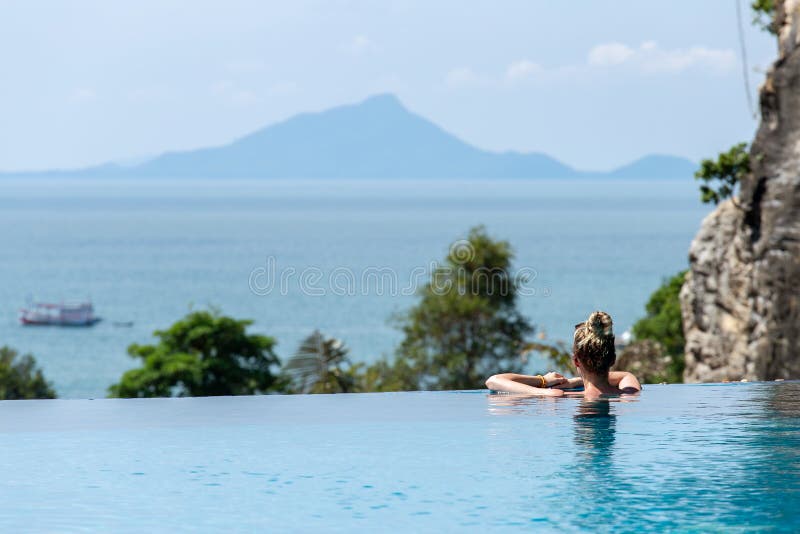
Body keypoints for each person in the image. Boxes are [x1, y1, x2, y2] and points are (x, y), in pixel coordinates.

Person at [485, 311, 641, 398]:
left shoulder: (560, 395)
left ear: (576, 361)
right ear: (613, 359)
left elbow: (494, 381)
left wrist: (544, 384)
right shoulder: (630, 395)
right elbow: (626, 375)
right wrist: (575, 382)